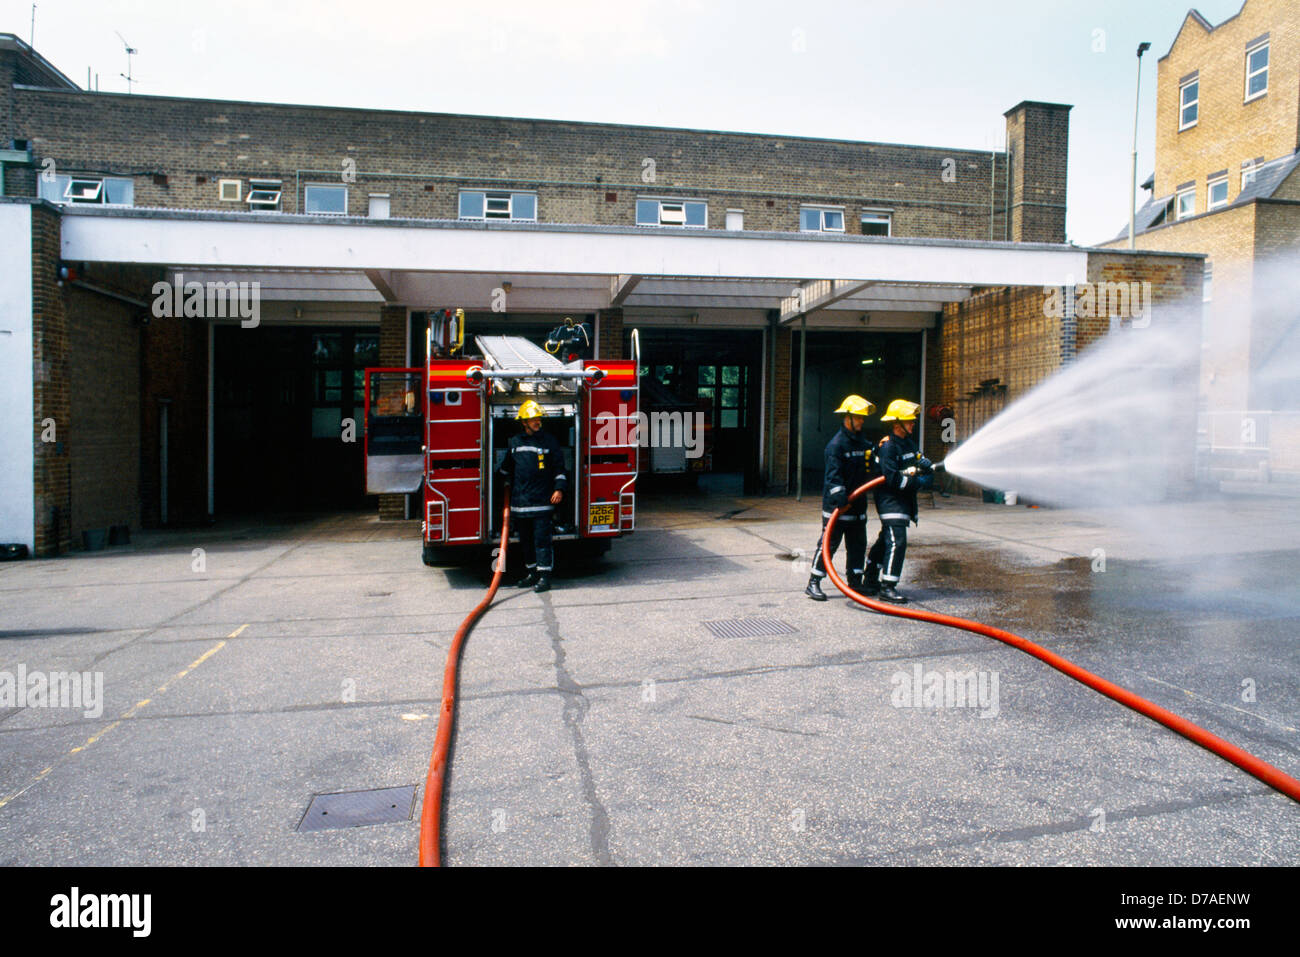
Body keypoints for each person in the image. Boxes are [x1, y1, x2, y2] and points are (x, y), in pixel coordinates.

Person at [805, 395, 876, 601]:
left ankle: (855, 584)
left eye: (863, 418)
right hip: (838, 508)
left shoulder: (863, 443)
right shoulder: (836, 446)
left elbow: (871, 468)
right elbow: (833, 479)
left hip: (857, 507)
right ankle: (813, 582)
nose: (862, 421)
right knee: (828, 545)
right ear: (847, 418)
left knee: (857, 546)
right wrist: (842, 502)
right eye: (858, 417)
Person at [864, 399, 933, 604]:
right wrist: (917, 482)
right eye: (909, 421)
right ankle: (888, 587)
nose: (913, 424)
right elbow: (892, 479)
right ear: (897, 424)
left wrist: (925, 467)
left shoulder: (909, 444)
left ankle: (870, 578)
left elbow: (920, 464)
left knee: (886, 539)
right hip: (890, 501)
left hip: (904, 502)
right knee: (897, 542)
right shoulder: (888, 448)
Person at [496, 399, 567, 593]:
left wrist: (559, 489)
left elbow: (559, 469)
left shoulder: (549, 442)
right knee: (526, 541)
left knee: (542, 541)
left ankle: (544, 577)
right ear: (524, 422)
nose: (537, 422)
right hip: (520, 503)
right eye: (533, 419)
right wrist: (498, 482)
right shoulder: (515, 443)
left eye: (538, 418)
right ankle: (532, 573)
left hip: (542, 502)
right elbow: (506, 468)